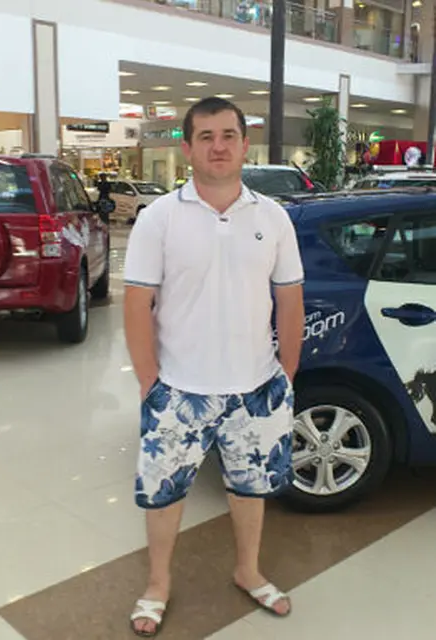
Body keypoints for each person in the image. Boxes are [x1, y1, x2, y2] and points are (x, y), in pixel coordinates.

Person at [124, 97, 305, 637]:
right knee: (164, 494)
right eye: (206, 136)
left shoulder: (273, 217)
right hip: (179, 388)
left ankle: (248, 570)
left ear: (246, 145)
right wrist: (150, 382)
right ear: (187, 147)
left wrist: (285, 375)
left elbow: (290, 300)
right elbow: (137, 304)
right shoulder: (159, 218)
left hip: (257, 387)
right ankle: (158, 584)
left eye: (228, 135)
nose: (218, 146)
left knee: (250, 489)